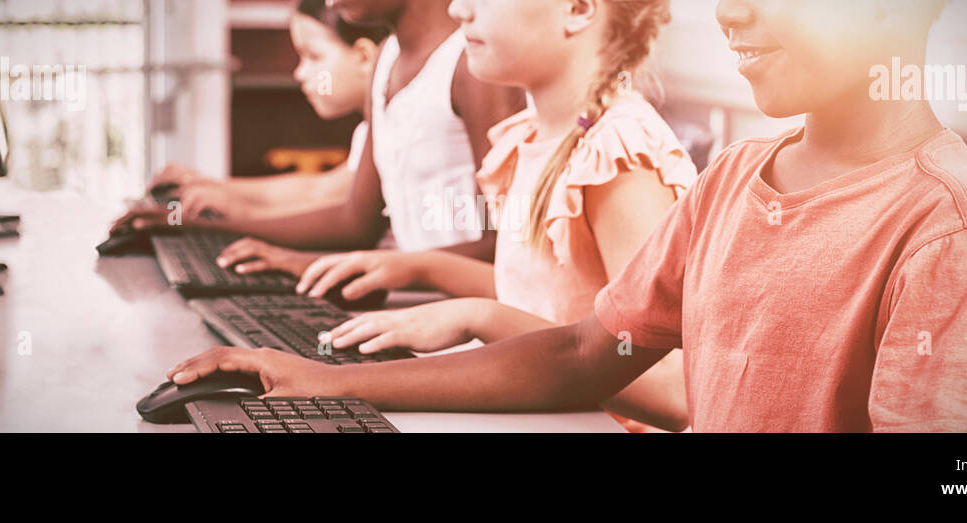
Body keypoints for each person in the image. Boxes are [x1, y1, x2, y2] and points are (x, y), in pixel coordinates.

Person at [167, 0, 967, 433]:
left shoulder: (952, 232)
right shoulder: (733, 176)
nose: (731, 10)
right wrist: (322, 379)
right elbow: (587, 351)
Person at [289, 0, 694, 432]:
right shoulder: (532, 138)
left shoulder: (619, 156)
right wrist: (422, 268)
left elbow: (670, 389)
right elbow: (545, 298)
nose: (459, 9)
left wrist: (480, 317)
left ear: (577, 9)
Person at [113, 0, 526, 275]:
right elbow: (353, 221)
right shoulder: (387, 60)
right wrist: (192, 224)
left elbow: (507, 242)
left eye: (313, 57)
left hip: (463, 327)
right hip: (414, 308)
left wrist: (324, 262)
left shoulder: (469, 65)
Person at [146, 0, 389, 222]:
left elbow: (325, 198)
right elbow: (317, 189)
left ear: (364, 58)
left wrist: (239, 211)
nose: (299, 73)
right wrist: (209, 185)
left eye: (313, 56)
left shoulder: (389, 129)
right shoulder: (367, 131)